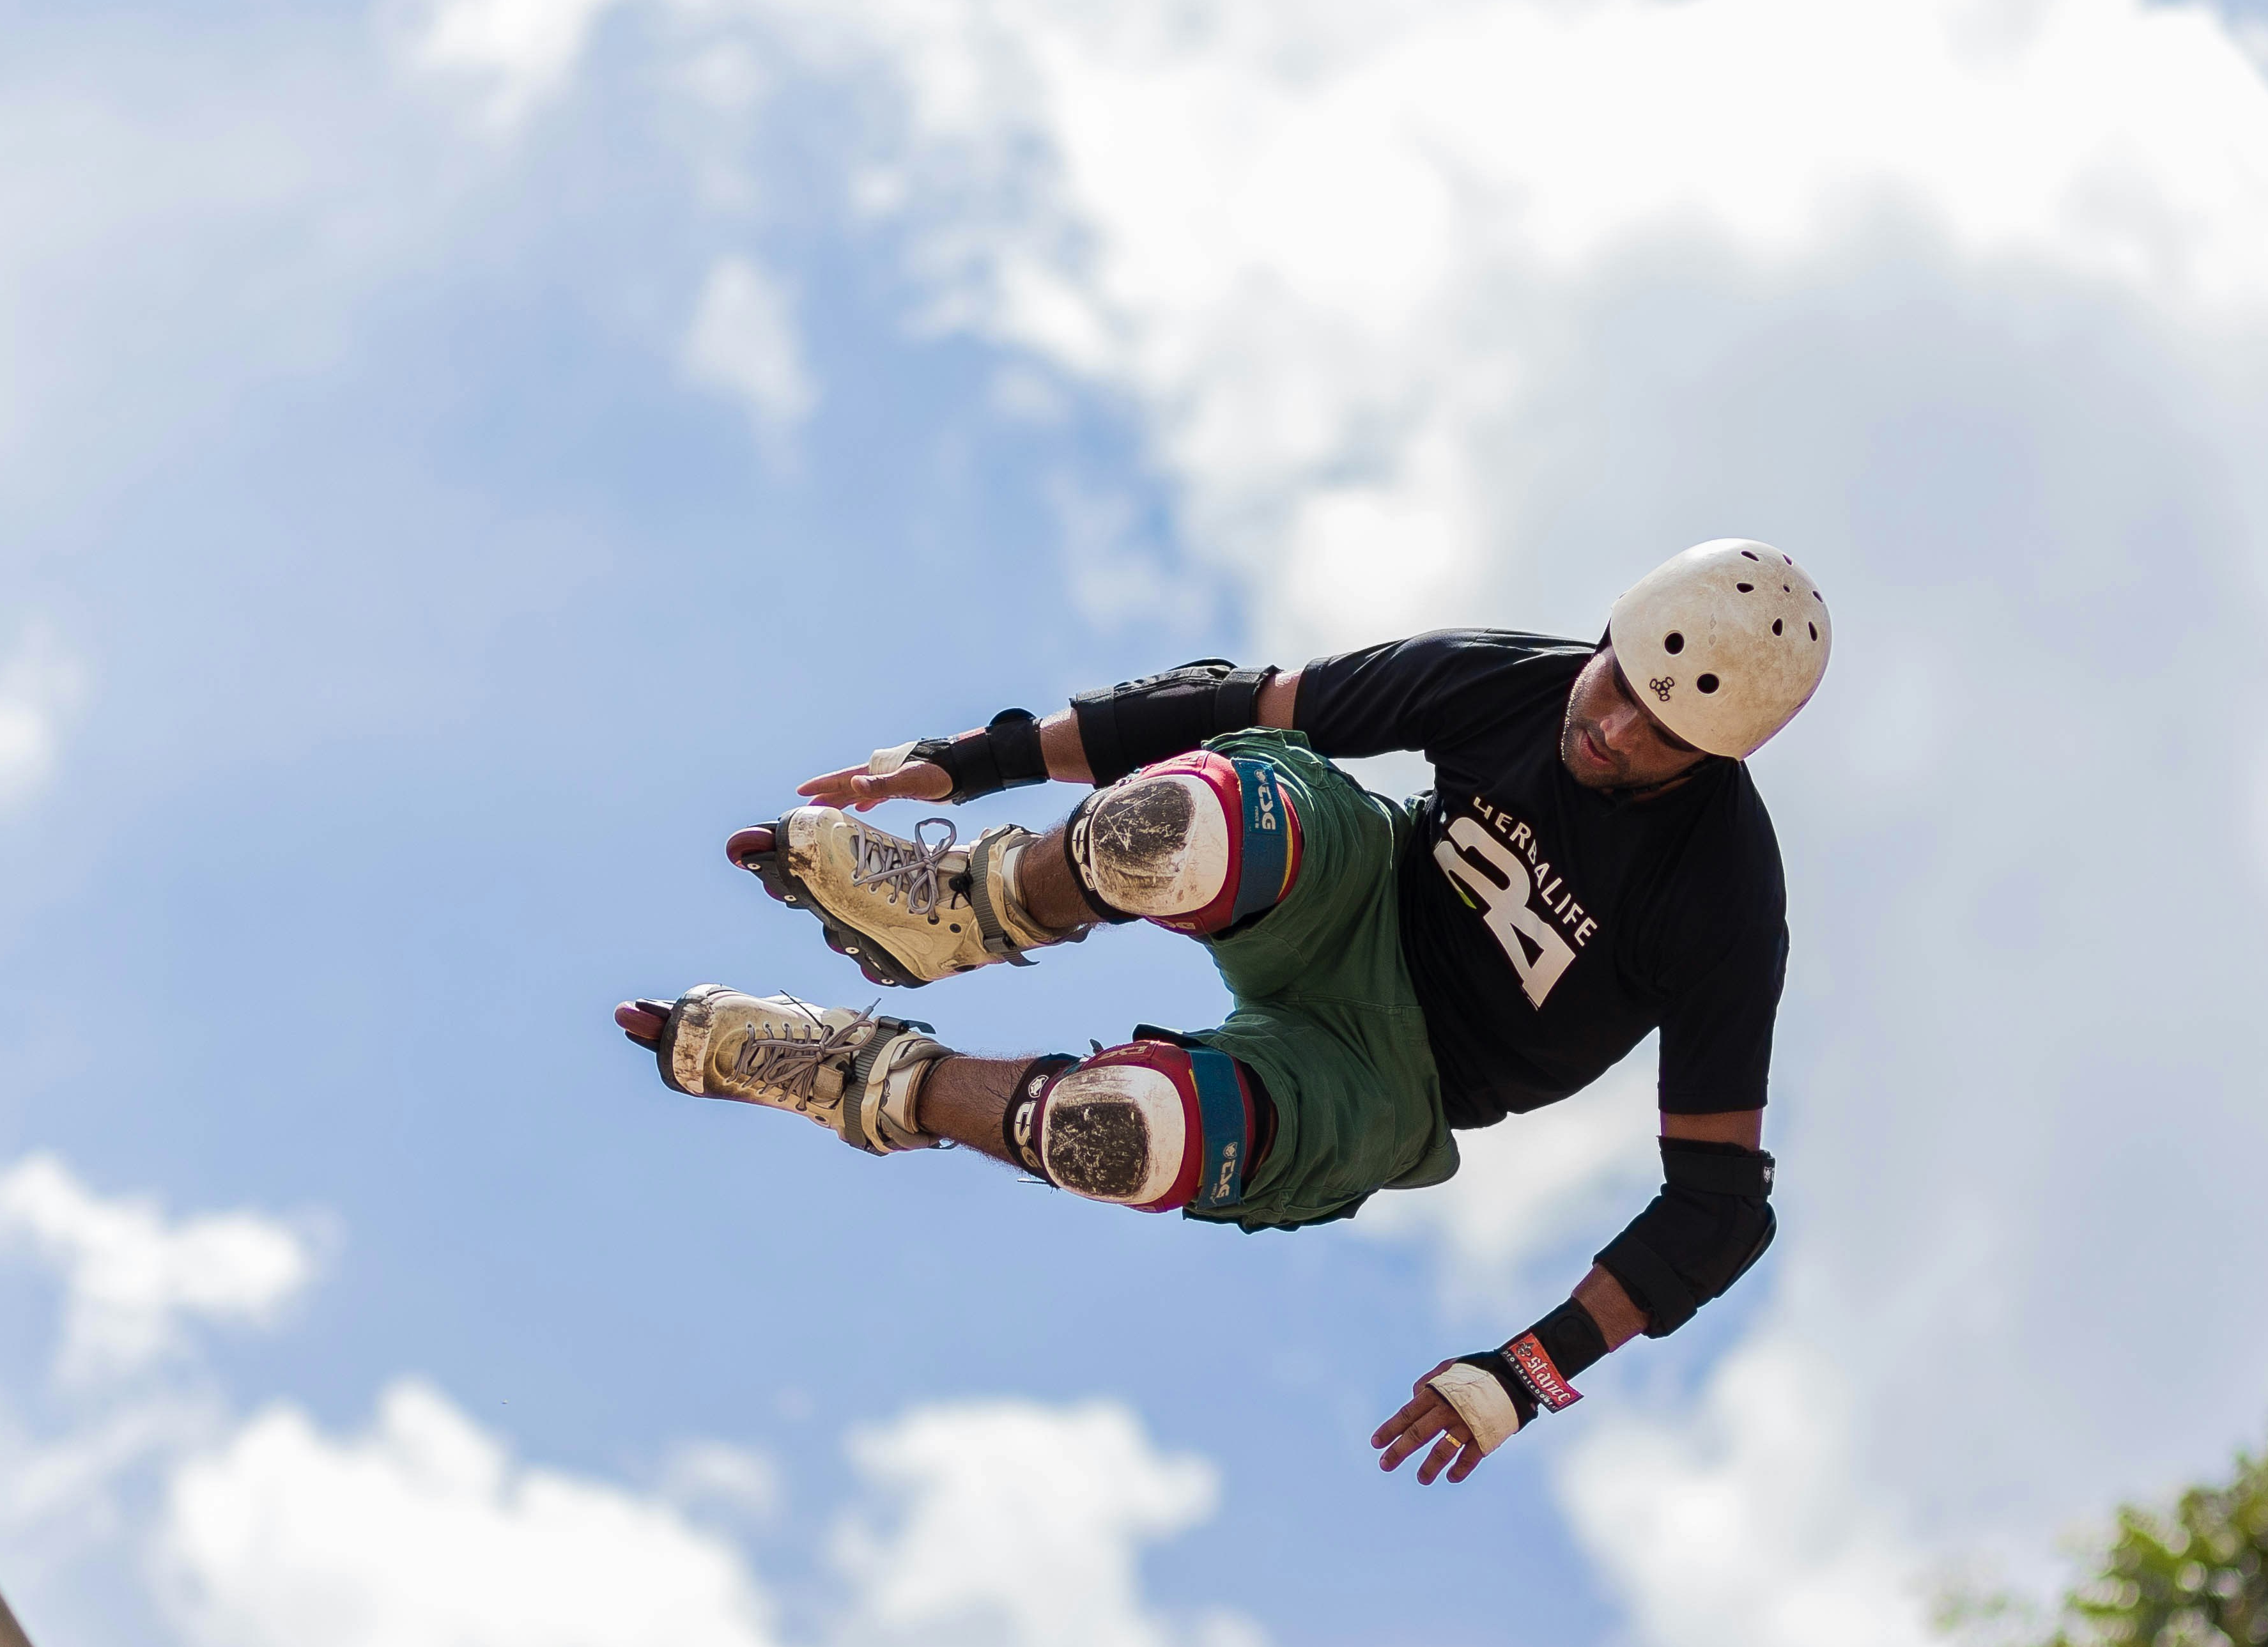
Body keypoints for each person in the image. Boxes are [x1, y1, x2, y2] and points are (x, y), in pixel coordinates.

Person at [615, 539, 1824, 1486]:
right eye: (1617, 685)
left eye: (1657, 740)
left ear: (1717, 758)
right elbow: (1244, 696)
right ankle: (957, 908)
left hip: (1388, 1081)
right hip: (1354, 889)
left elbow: (1718, 1207)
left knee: (1125, 1131)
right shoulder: (1517, 680)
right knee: (1186, 824)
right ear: (1610, 635)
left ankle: (863, 1079)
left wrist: (1525, 1373)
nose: (1606, 731)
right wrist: (969, 762)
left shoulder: (1723, 899)